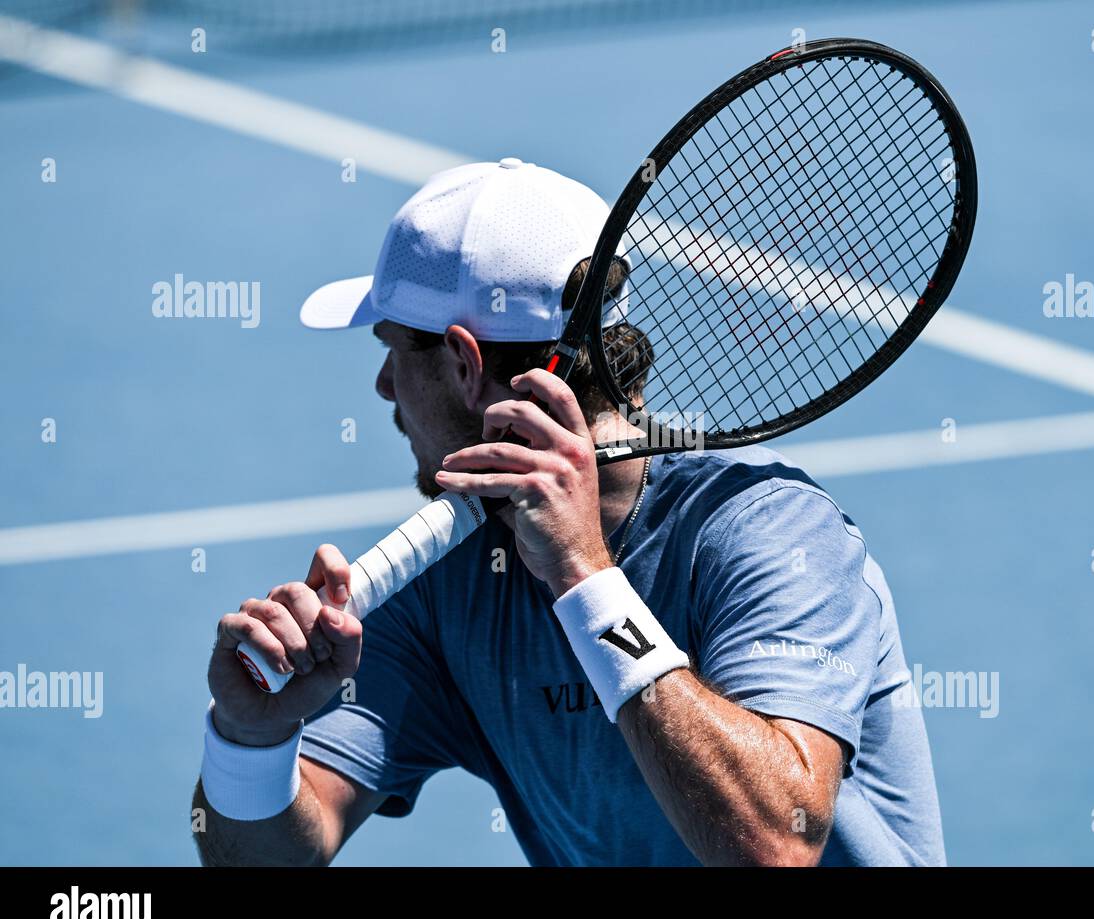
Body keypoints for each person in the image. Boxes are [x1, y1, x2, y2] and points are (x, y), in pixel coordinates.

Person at [192, 158, 945, 866]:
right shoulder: (440, 587)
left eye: (394, 349)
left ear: (463, 363)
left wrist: (583, 575)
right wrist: (251, 743)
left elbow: (776, 845)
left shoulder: (773, 533)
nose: (385, 386)